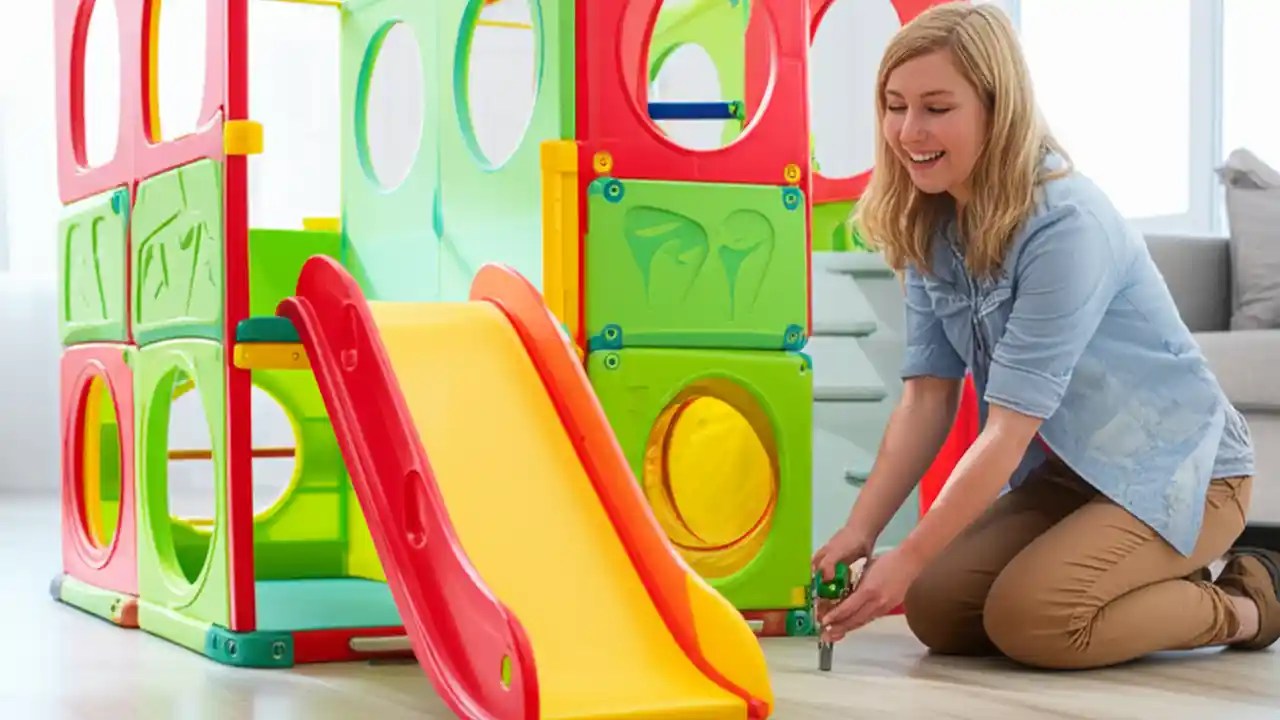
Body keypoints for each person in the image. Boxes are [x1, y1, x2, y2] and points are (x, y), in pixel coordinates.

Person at [811, 3, 1279, 670]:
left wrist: (909, 553)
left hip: (1183, 473)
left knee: (1035, 621)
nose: (908, 131)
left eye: (937, 108)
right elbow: (927, 401)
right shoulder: (928, 223)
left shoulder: (1066, 224)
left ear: (997, 110)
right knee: (937, 609)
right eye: (895, 106)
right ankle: (1132, 577)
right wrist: (862, 533)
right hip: (1071, 475)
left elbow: (1007, 429)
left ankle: (1245, 601)